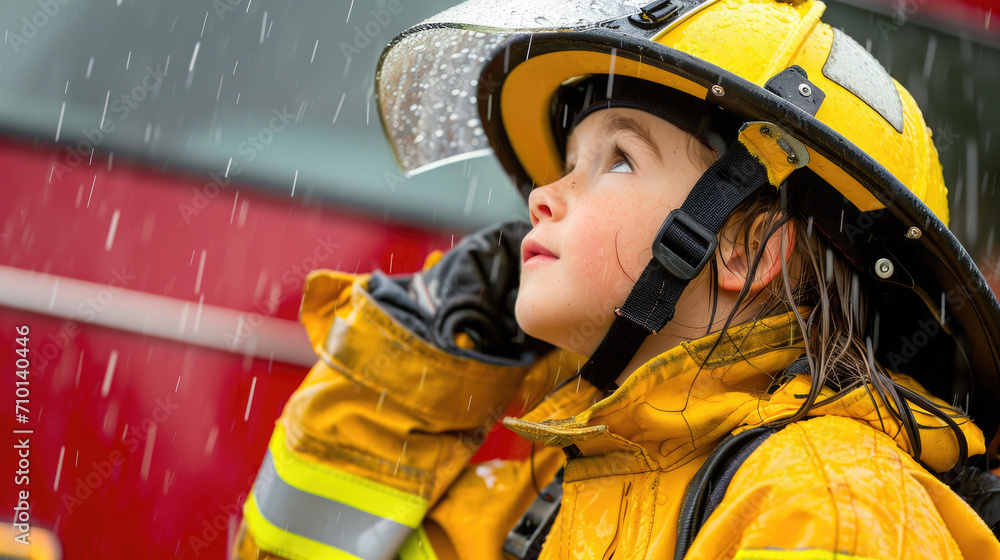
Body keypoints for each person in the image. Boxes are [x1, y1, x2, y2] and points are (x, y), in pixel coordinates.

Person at [233, 0, 1000, 558]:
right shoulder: (559, 489)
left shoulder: (827, 501)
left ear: (742, 249)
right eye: (567, 163)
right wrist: (412, 361)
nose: (542, 197)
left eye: (618, 160)